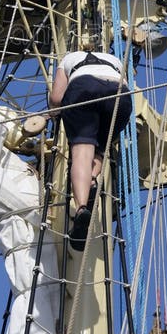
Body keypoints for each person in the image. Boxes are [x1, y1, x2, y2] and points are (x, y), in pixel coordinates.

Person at [49, 47, 133, 250]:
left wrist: (53, 114)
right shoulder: (114, 59)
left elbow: (57, 99)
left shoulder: (68, 58)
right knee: (100, 149)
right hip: (119, 96)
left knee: (82, 152)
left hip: (84, 88)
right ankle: (93, 181)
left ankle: (81, 209)